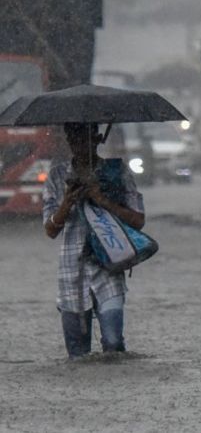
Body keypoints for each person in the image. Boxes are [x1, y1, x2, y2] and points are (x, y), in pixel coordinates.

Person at [42, 123, 145, 359]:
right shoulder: (58, 176)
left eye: (84, 138)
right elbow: (50, 230)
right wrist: (66, 203)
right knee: (77, 355)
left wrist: (102, 199)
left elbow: (138, 220)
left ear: (97, 138)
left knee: (113, 342)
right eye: (73, 139)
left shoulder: (116, 172)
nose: (79, 145)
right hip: (71, 275)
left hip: (108, 266)